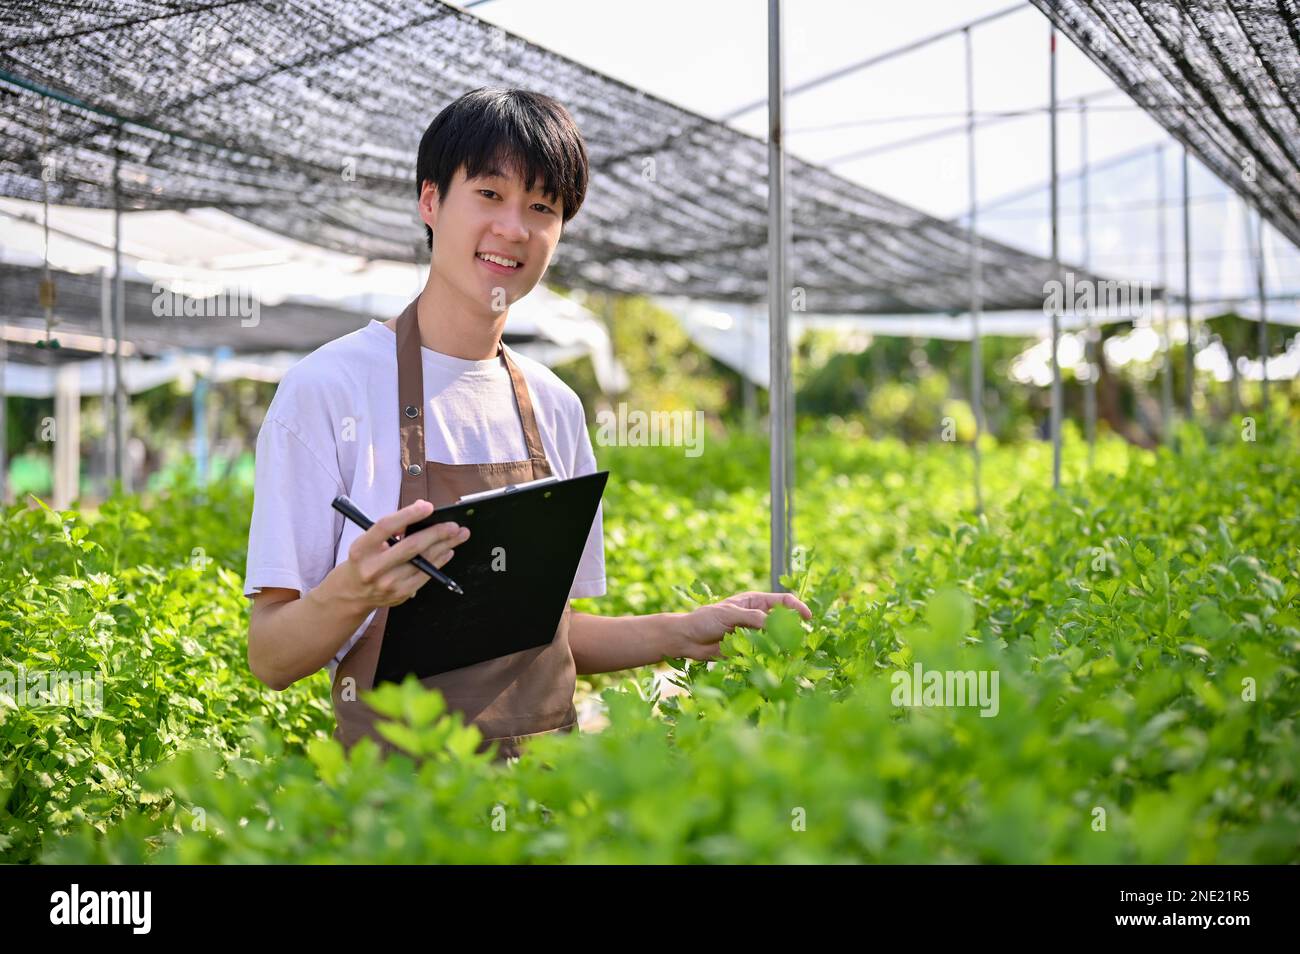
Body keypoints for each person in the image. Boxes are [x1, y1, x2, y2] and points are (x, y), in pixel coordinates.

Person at [244, 87, 810, 761]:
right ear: (431, 201)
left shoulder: (555, 405)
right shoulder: (327, 391)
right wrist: (351, 593)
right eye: (489, 195)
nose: (514, 228)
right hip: (400, 816)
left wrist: (687, 630)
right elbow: (271, 657)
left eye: (542, 207)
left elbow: (553, 634)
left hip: (547, 797)